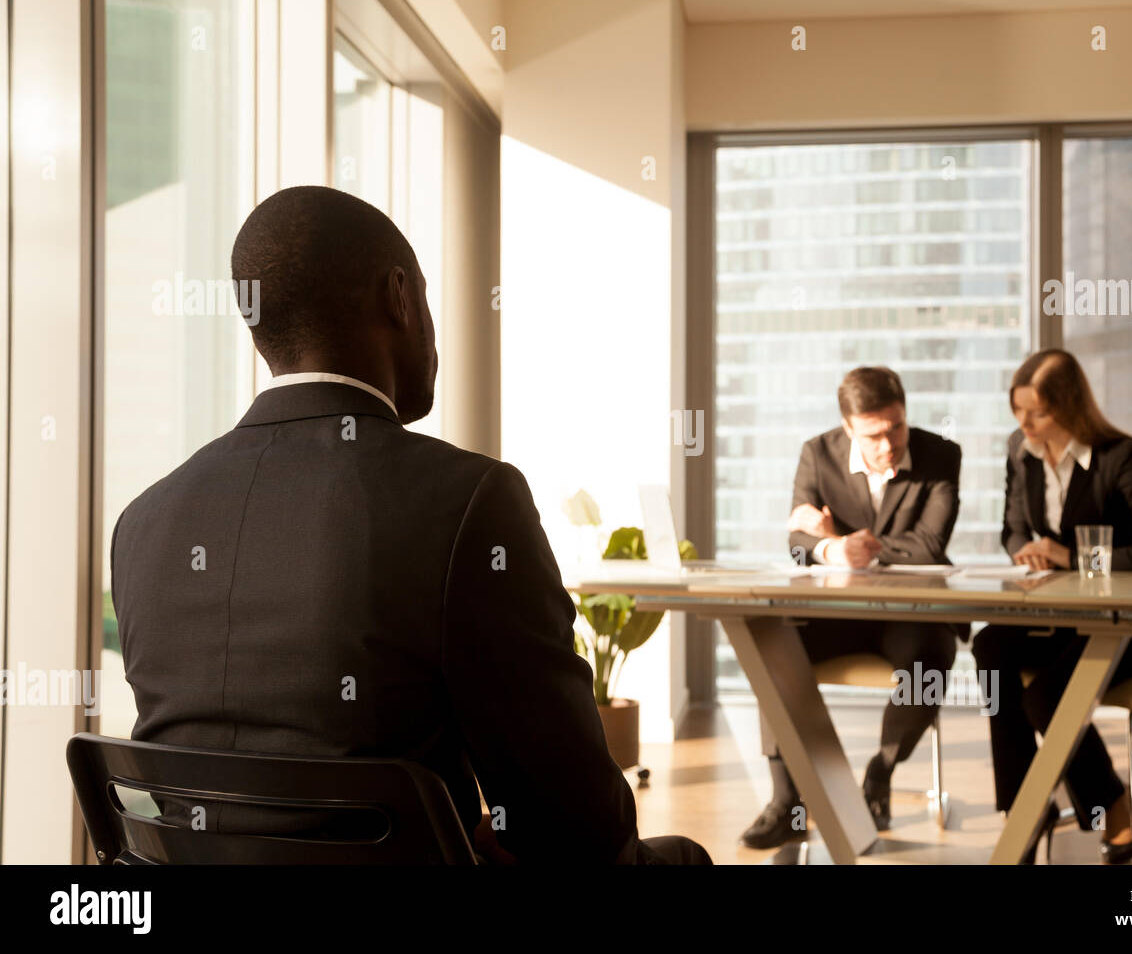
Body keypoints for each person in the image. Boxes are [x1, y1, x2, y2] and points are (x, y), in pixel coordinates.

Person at [111, 185, 709, 865]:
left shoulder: (144, 520)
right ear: (398, 296)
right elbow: (574, 822)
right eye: (425, 300)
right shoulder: (470, 499)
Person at [972, 348, 1132, 864]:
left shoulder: (1120, 455)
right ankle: (1025, 807)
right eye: (1018, 410)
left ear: (1069, 408)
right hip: (1047, 619)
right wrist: (1025, 549)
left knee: (1044, 701)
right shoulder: (1019, 451)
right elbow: (1013, 527)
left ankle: (1112, 803)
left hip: (1119, 629)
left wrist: (1072, 557)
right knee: (989, 646)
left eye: (1037, 412)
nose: (1024, 423)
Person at [741, 366, 964, 849]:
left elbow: (930, 543)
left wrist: (840, 540)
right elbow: (798, 539)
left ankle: (881, 771)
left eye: (897, 427)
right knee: (772, 646)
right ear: (848, 428)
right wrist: (827, 549)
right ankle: (788, 801)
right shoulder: (817, 454)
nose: (889, 445)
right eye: (874, 434)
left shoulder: (941, 455)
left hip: (911, 613)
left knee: (929, 662)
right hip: (837, 613)